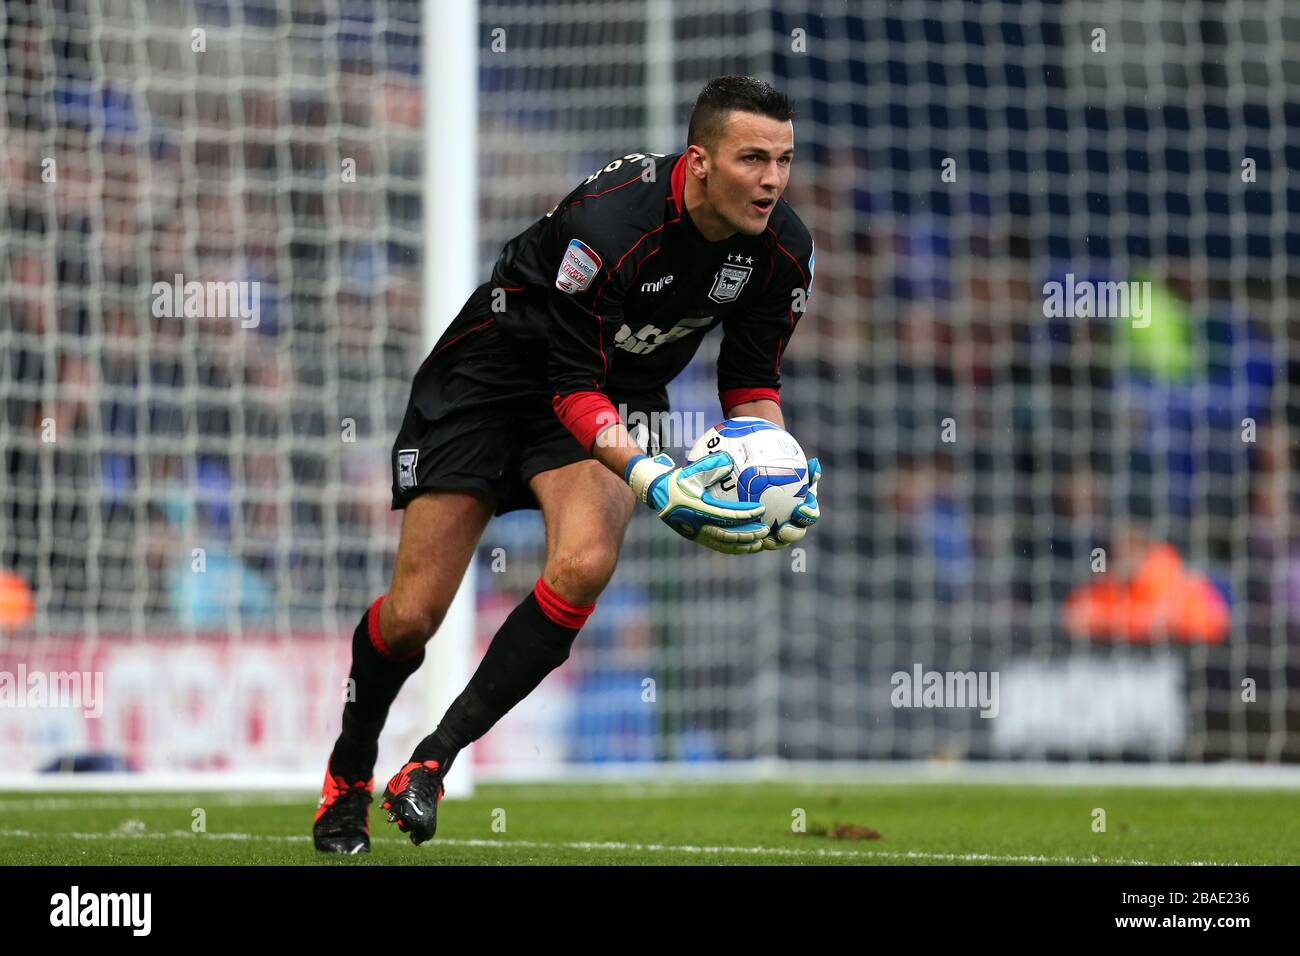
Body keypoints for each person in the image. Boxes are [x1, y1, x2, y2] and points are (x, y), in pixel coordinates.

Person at [313, 75, 823, 853]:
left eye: (783, 160)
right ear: (700, 161)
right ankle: (348, 772)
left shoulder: (782, 249)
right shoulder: (607, 224)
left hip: (621, 387)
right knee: (414, 614)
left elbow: (750, 385)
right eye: (752, 159)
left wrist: (780, 467)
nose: (772, 180)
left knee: (582, 564)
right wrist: (651, 476)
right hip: (494, 378)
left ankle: (430, 763)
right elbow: (568, 385)